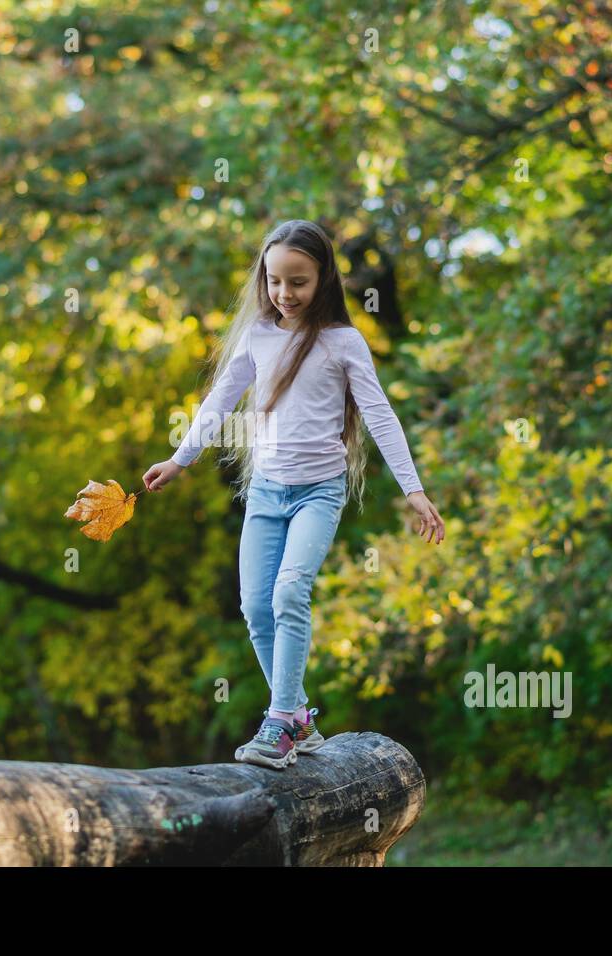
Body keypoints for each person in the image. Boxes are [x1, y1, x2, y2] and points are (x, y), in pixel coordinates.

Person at [142, 219, 444, 769]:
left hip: (318, 493)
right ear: (264, 278)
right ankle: (299, 718)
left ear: (323, 278)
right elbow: (219, 402)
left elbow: (380, 414)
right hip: (265, 494)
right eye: (275, 281)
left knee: (288, 594)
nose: (285, 293)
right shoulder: (258, 336)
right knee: (255, 606)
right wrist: (180, 458)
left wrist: (414, 489)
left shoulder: (343, 342)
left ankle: (279, 723)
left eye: (299, 282)